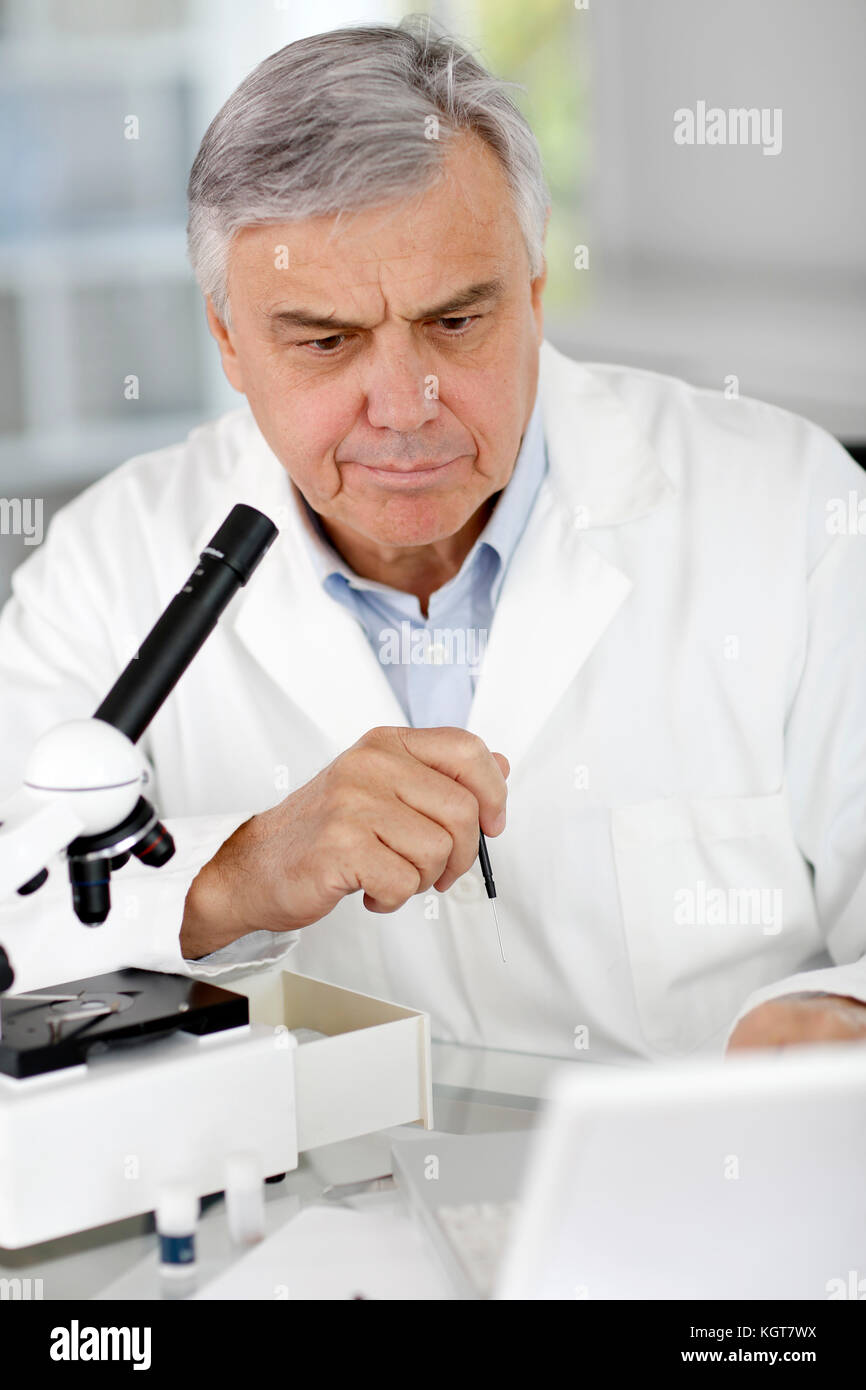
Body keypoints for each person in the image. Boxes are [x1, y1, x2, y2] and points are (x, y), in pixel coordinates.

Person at [1, 19, 865, 1061]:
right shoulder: (107, 567)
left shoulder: (790, 514)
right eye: (324, 341)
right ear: (227, 339)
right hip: (292, 1219)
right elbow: (18, 913)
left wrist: (834, 1020)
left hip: (697, 1201)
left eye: (455, 323)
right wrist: (229, 876)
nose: (405, 408)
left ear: (535, 290)